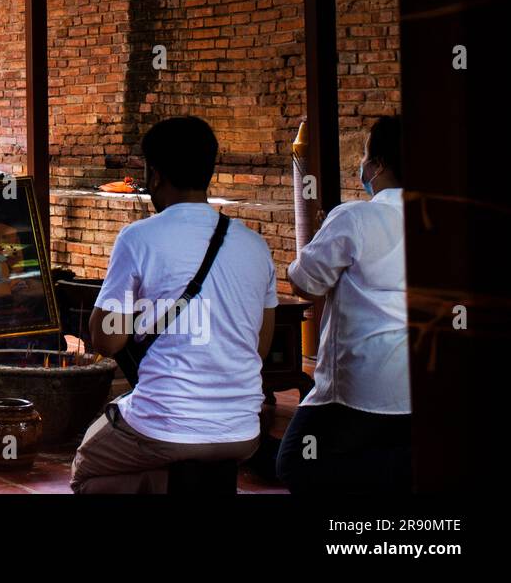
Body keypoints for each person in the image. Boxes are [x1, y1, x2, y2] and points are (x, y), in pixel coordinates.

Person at [71, 116, 277, 493]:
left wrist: (140, 312)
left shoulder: (138, 238)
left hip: (163, 426)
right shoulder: (255, 245)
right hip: (243, 431)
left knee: (85, 471)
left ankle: (166, 484)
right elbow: (259, 347)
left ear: (154, 176)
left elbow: (106, 341)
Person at [276, 116, 410, 494]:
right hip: (419, 384)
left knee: (295, 464)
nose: (362, 166)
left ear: (379, 164)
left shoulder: (356, 216)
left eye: (366, 156)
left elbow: (304, 282)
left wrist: (322, 236)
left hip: (358, 385)